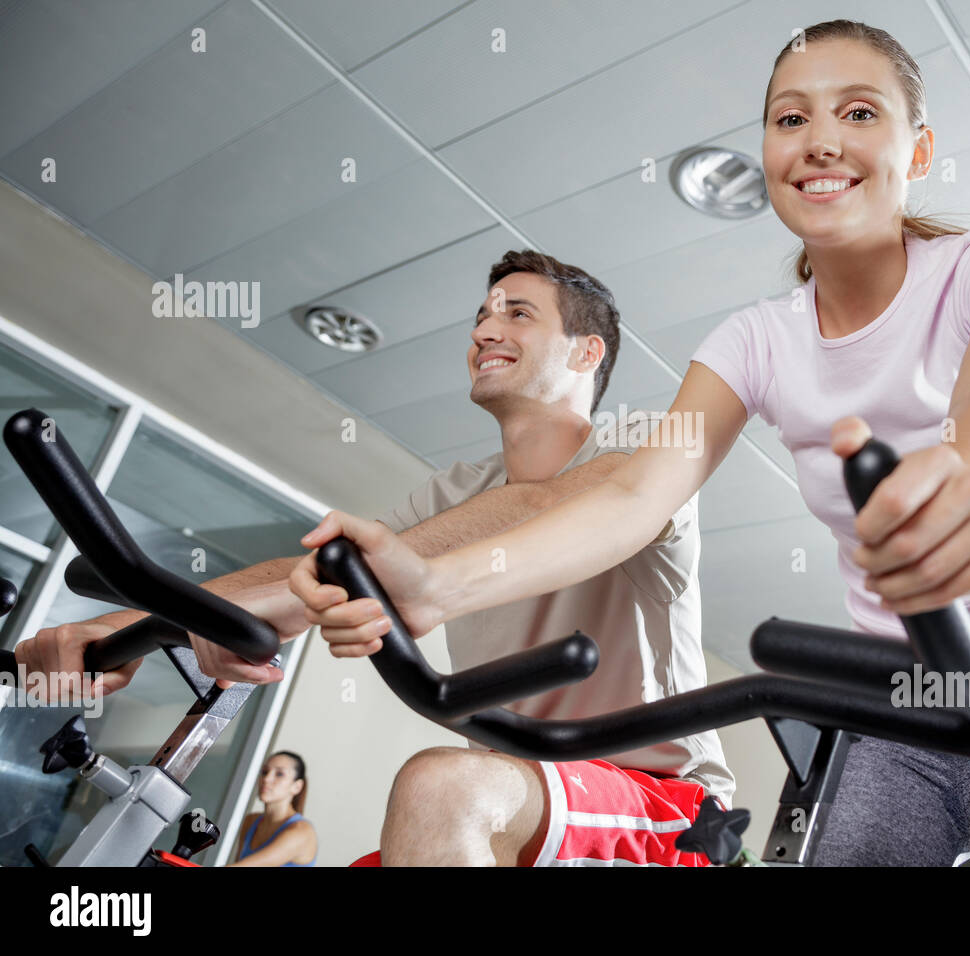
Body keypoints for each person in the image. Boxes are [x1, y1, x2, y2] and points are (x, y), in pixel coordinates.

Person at [289, 19, 970, 867]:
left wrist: (969, 489)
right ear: (769, 154)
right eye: (792, 119)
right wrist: (438, 585)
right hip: (905, 720)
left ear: (920, 150)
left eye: (859, 112)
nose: (821, 141)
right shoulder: (752, 342)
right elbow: (636, 495)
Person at [15, 249, 732, 868]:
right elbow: (324, 574)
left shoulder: (640, 444)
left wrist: (398, 574)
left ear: (586, 351)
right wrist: (136, 621)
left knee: (439, 786)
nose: (485, 329)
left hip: (660, 805)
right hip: (516, 794)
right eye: (483, 314)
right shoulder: (459, 489)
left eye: (518, 314)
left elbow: (552, 507)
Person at [228, 751, 316, 867]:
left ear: (297, 786)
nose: (267, 779)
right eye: (264, 772)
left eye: (279, 774)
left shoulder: (302, 832)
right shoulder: (251, 821)